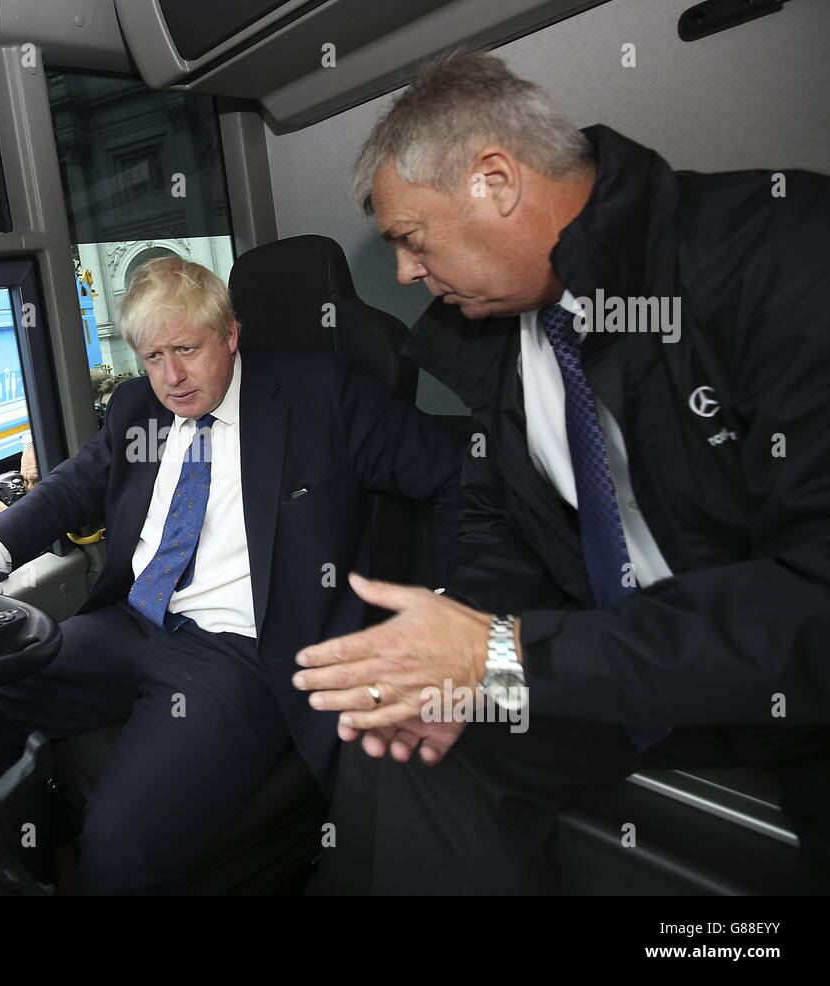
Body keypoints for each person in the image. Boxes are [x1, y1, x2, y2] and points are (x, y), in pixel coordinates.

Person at [293, 50, 830, 891]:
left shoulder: (785, 253)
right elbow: (508, 530)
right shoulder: (503, 337)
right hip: (624, 662)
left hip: (791, 690)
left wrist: (503, 659)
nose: (403, 273)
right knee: (403, 745)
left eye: (410, 239)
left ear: (495, 182)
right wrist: (456, 659)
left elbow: (812, 601)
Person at [0, 257, 464, 893]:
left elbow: (456, 480)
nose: (173, 378)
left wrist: (438, 612)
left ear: (231, 335)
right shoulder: (138, 408)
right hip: (129, 624)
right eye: (154, 356)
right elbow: (65, 493)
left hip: (241, 654)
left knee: (117, 849)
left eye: (188, 349)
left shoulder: (326, 396)